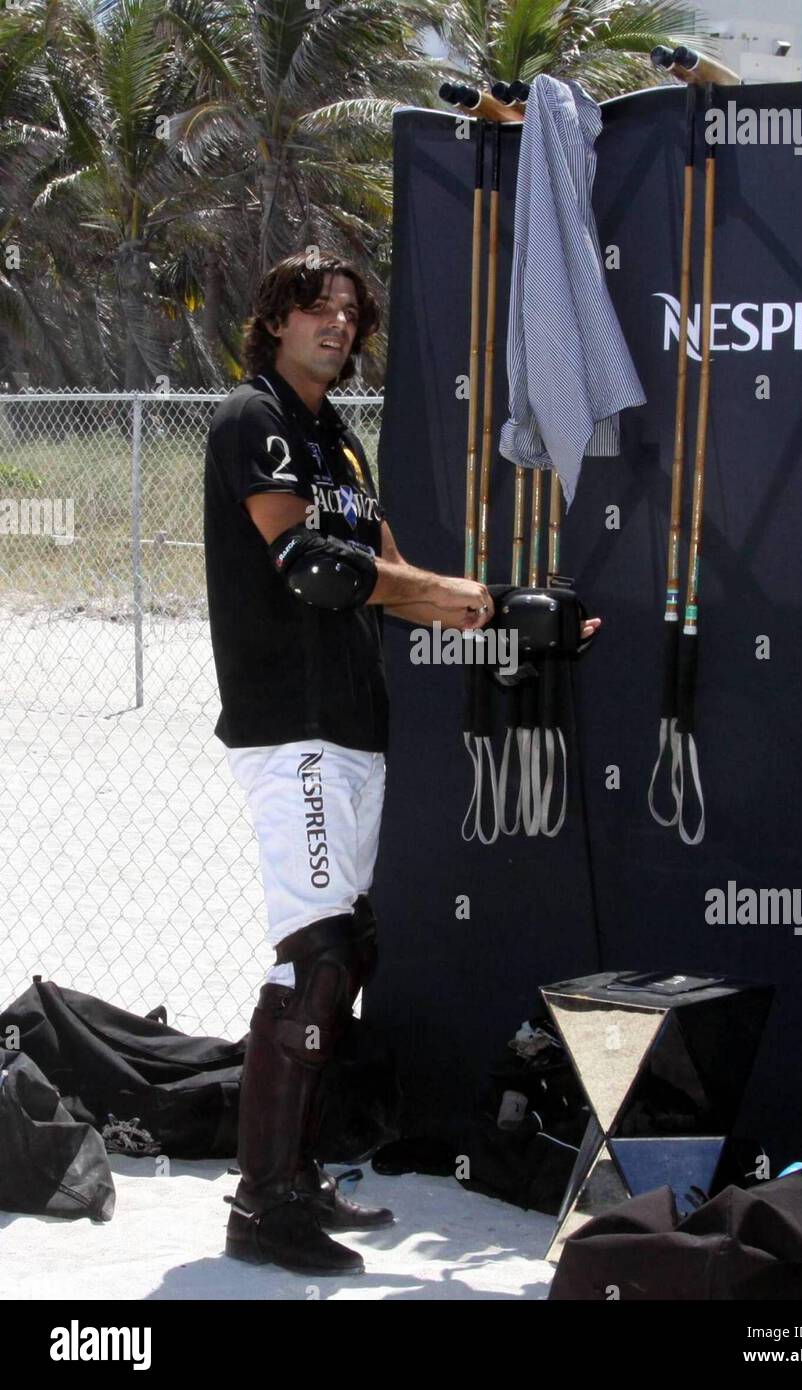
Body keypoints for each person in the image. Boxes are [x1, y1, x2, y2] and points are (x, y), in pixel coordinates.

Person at [202, 249, 498, 1277]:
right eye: (313, 308)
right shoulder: (254, 420)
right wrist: (448, 591)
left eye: (348, 313)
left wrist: (495, 608)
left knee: (341, 951)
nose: (335, 324)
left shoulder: (339, 444)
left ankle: (296, 1169)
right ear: (272, 320)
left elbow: (395, 576)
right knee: (317, 955)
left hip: (353, 724)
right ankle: (264, 1201)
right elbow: (313, 567)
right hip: (293, 727)